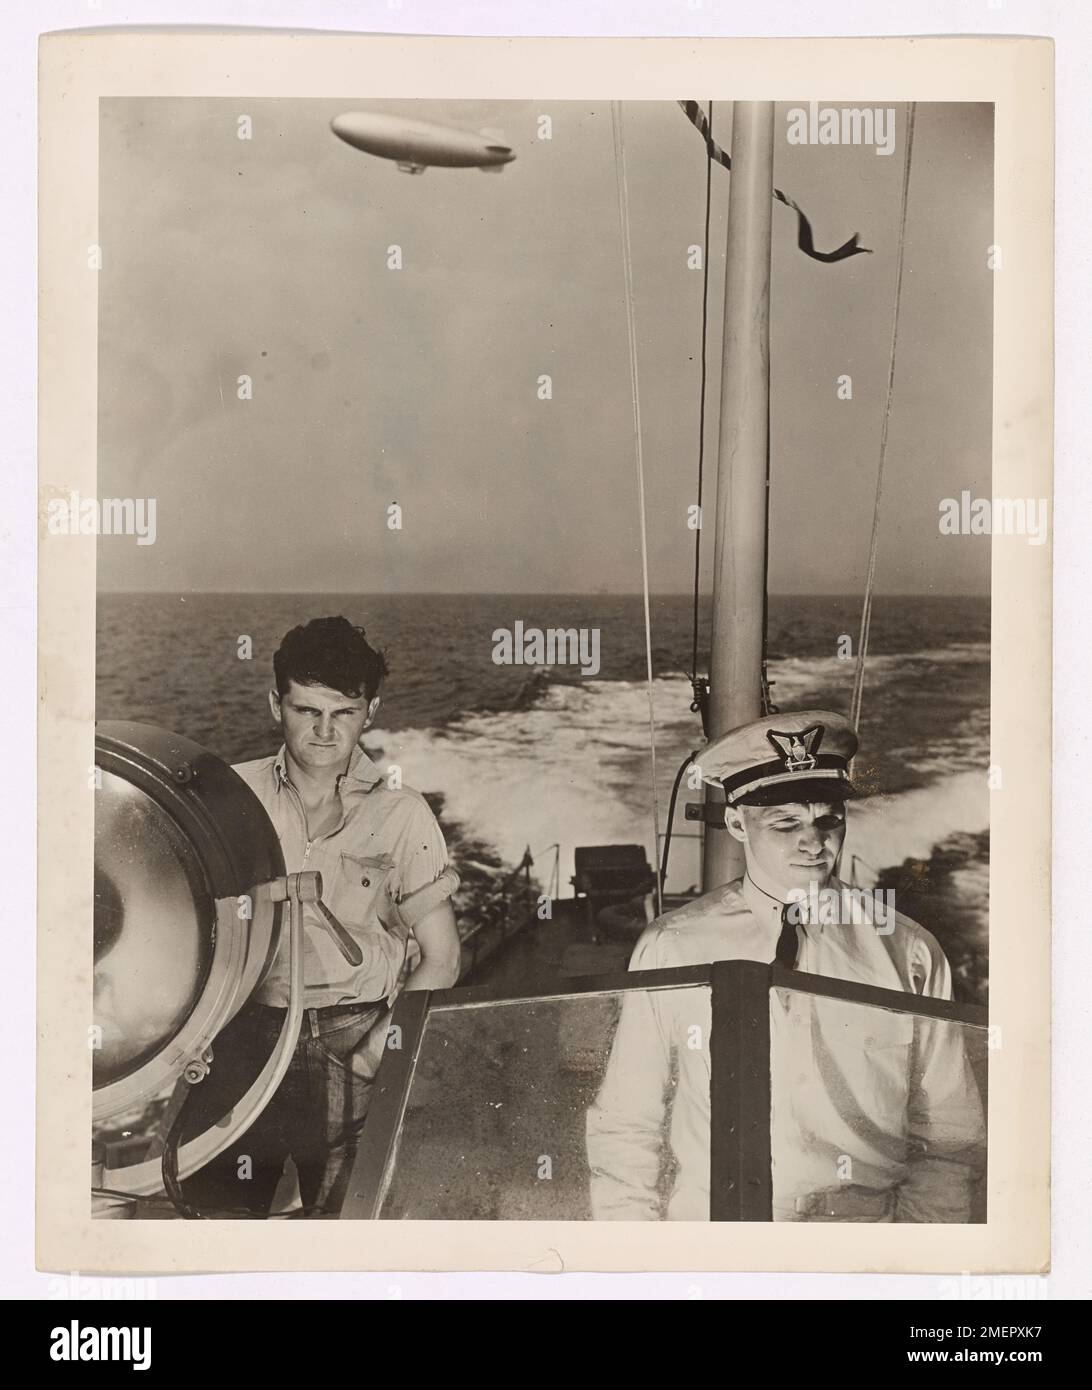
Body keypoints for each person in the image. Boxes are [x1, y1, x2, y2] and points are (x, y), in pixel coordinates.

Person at [585, 709, 985, 1222]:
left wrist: (915, 1254)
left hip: (864, 1234)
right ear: (736, 822)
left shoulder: (908, 952)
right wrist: (636, 1262)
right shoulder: (673, 947)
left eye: (828, 820)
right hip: (719, 1232)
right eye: (786, 822)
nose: (814, 842)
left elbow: (950, 1137)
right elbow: (626, 1121)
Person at [182, 616, 461, 1216]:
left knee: (350, 1235)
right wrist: (193, 1031)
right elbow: (186, 932)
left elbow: (443, 957)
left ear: (372, 711)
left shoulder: (404, 815)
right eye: (307, 710)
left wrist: (373, 1054)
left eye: (344, 713)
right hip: (243, 1034)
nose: (325, 732)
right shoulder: (230, 797)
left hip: (352, 1034)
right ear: (274, 704)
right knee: (210, 1228)